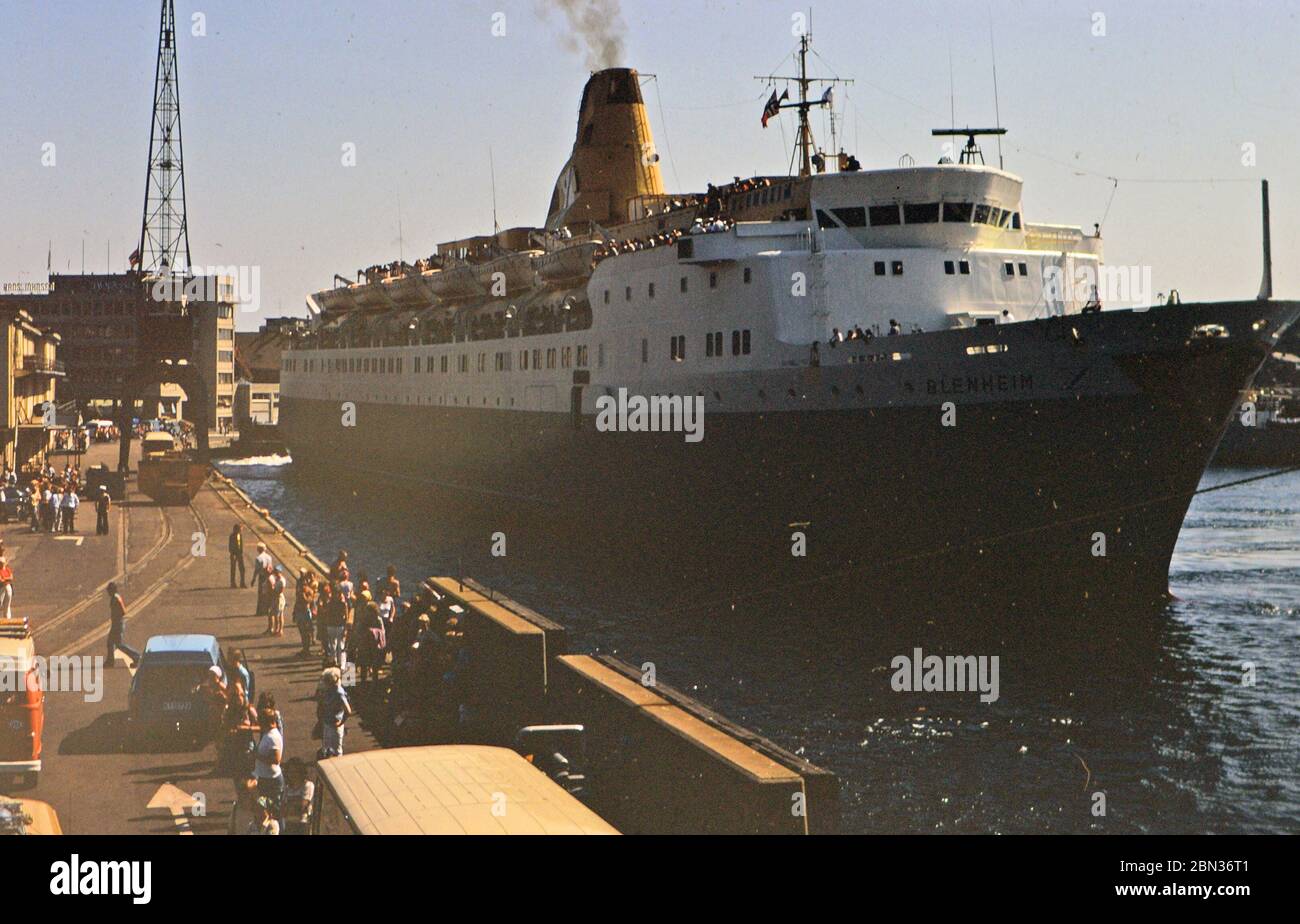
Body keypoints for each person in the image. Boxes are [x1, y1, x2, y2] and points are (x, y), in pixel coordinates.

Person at [253, 707, 284, 822]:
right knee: (264, 808)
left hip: (271, 781)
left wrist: (257, 756)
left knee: (274, 811)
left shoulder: (273, 737)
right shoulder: (268, 734)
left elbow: (276, 759)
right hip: (265, 778)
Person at [316, 666, 352, 758]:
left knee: (337, 751)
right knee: (326, 749)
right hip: (327, 723)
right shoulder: (328, 691)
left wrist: (341, 722)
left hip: (335, 725)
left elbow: (348, 711)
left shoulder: (339, 693)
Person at [105, 583, 139, 667]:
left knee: (119, 644)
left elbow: (123, 611)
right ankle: (110, 661)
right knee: (110, 642)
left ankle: (136, 656)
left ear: (112, 590)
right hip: (116, 624)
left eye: (109, 590)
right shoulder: (114, 597)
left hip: (118, 624)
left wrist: (116, 617)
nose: (108, 592)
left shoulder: (116, 598)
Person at [282, 758, 315, 835]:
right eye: (290, 772)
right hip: (289, 825)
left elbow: (303, 806)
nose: (293, 775)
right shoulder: (287, 788)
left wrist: (290, 806)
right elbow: (283, 809)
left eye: (295, 771)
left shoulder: (308, 785)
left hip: (302, 825)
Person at [292, 569, 317, 655]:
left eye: (304, 583)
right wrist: (294, 612)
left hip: (305, 612)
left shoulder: (309, 591)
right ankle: (304, 648)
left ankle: (307, 650)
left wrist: (304, 596)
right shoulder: (300, 590)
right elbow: (297, 601)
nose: (302, 585)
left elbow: (309, 601)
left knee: (306, 632)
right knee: (302, 632)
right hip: (299, 612)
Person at [228, 524, 246, 589]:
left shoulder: (239, 535)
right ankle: (233, 583)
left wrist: (241, 552)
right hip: (234, 554)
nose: (240, 531)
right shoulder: (232, 536)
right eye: (239, 529)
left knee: (242, 569)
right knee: (233, 569)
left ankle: (242, 583)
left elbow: (240, 545)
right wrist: (233, 554)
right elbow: (231, 546)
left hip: (239, 554)